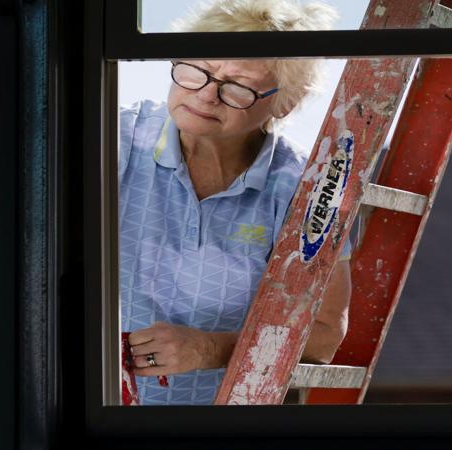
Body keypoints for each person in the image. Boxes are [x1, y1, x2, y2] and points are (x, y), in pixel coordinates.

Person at [119, 0, 351, 405]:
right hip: (87, 422)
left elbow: (326, 332)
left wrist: (212, 349)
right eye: (197, 70)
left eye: (238, 86)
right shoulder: (114, 138)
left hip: (222, 433)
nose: (207, 96)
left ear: (284, 104)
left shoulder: (306, 187)